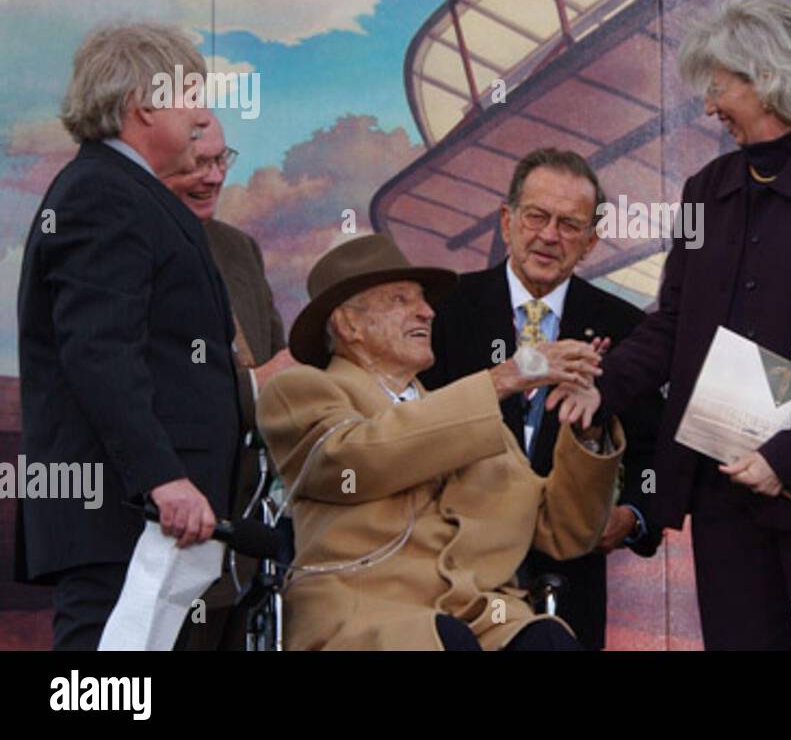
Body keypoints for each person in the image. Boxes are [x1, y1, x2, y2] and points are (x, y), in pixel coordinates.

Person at [550, 0, 791, 650]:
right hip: (729, 503)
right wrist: (604, 386)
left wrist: (787, 457)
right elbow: (674, 323)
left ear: (768, 78)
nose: (710, 106)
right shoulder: (705, 191)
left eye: (718, 86)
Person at [255, 234, 623, 650]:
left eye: (424, 301)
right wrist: (503, 378)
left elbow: (562, 531)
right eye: (400, 300)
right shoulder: (303, 390)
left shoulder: (464, 412)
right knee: (445, 641)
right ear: (348, 324)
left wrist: (587, 431)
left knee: (546, 640)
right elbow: (354, 461)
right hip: (362, 612)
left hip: (480, 616)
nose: (427, 312)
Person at [15, 22, 240, 650]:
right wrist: (161, 477)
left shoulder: (124, 192)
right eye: (191, 97)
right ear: (145, 104)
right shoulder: (102, 194)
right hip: (122, 514)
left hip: (146, 519)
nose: (202, 117)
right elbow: (97, 351)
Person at [421, 148, 665, 651]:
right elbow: (408, 427)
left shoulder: (626, 328)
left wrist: (632, 518)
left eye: (570, 225)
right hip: (449, 572)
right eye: (536, 216)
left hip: (569, 582)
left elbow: (654, 451)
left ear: (592, 241)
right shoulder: (443, 311)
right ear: (508, 220)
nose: (549, 236)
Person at [161, 116, 293, 649]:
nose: (213, 178)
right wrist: (254, 388)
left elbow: (279, 361)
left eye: (222, 161)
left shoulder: (239, 248)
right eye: (196, 164)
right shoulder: (131, 245)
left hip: (241, 538)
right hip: (161, 528)